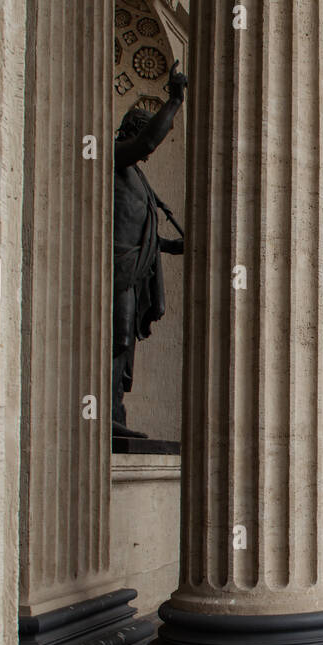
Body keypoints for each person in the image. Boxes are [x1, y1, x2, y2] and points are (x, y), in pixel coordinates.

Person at [112, 59, 187, 438]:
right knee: (116, 338)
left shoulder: (138, 178)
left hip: (132, 272)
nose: (149, 153)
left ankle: (117, 413)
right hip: (115, 270)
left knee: (125, 345)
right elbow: (147, 141)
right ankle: (107, 413)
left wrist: (174, 247)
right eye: (144, 143)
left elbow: (143, 234)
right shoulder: (114, 159)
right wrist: (173, 100)